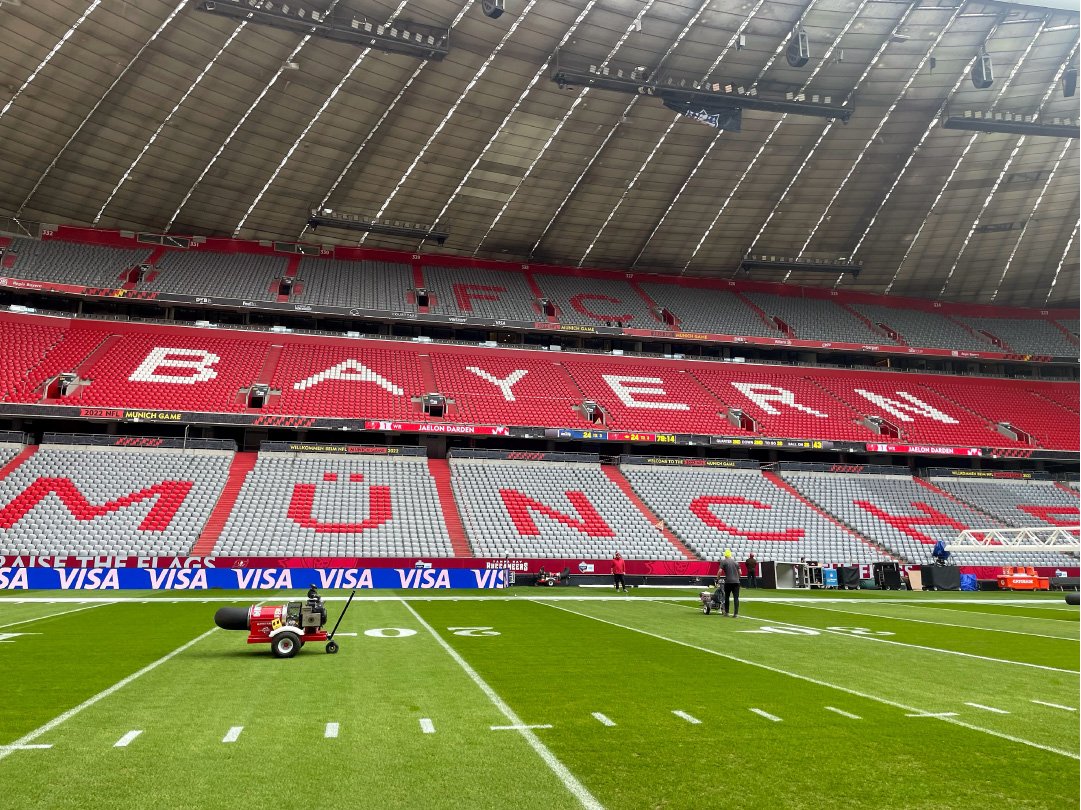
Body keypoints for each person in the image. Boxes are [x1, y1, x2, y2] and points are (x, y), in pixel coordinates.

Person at [719, 549, 741, 617]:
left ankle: (727, 612)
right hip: (736, 582)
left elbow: (720, 571)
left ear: (725, 555)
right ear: (730, 555)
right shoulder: (736, 562)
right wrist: (737, 578)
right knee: (736, 598)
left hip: (728, 582)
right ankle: (736, 614)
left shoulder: (723, 562)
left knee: (727, 597)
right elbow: (740, 572)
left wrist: (718, 578)